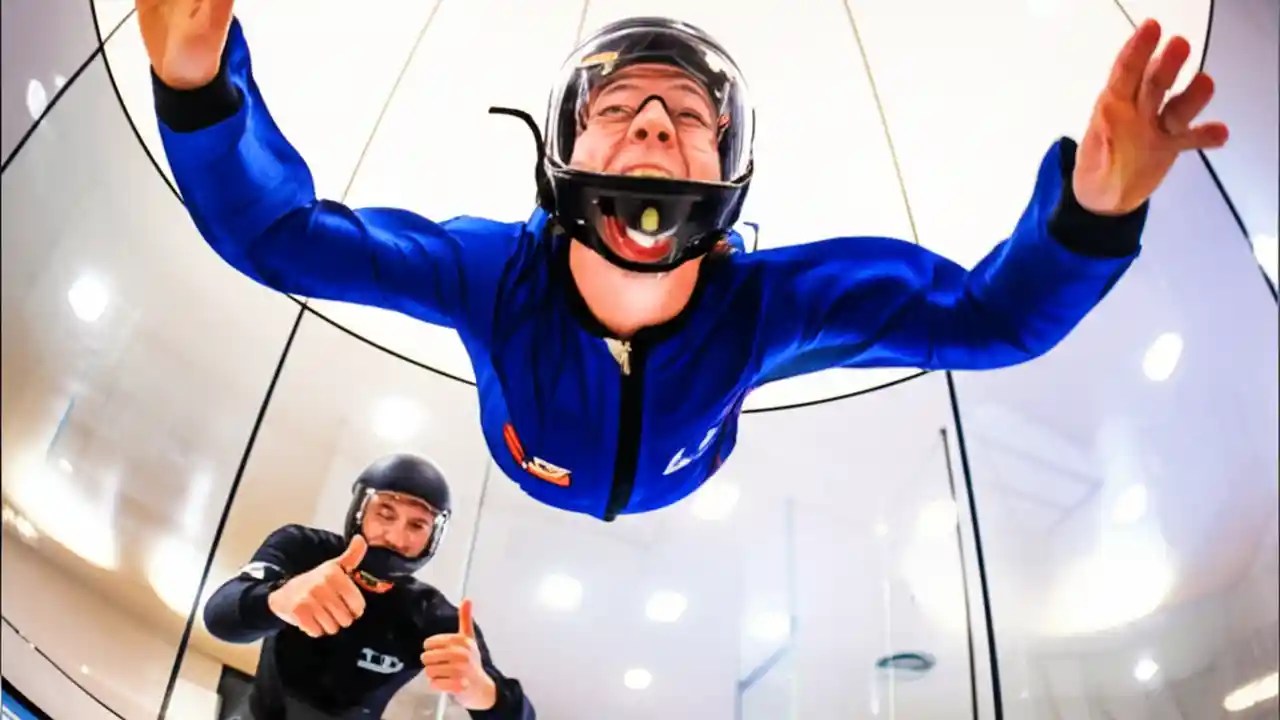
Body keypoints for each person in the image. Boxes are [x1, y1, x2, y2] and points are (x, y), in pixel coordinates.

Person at [140, 4, 1228, 522]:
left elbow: (994, 322)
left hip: (678, 467)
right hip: (527, 457)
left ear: (733, 158)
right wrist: (196, 88)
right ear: (560, 148)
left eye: (687, 116)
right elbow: (276, 237)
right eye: (616, 107)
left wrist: (1091, 211)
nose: (655, 126)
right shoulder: (486, 275)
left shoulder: (778, 304)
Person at [202, 454, 535, 719]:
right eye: (385, 512)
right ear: (359, 510)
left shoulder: (433, 616)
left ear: (433, 537)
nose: (395, 536)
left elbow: (520, 715)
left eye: (417, 524)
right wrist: (276, 599)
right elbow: (221, 617)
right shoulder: (302, 549)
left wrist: (485, 694)